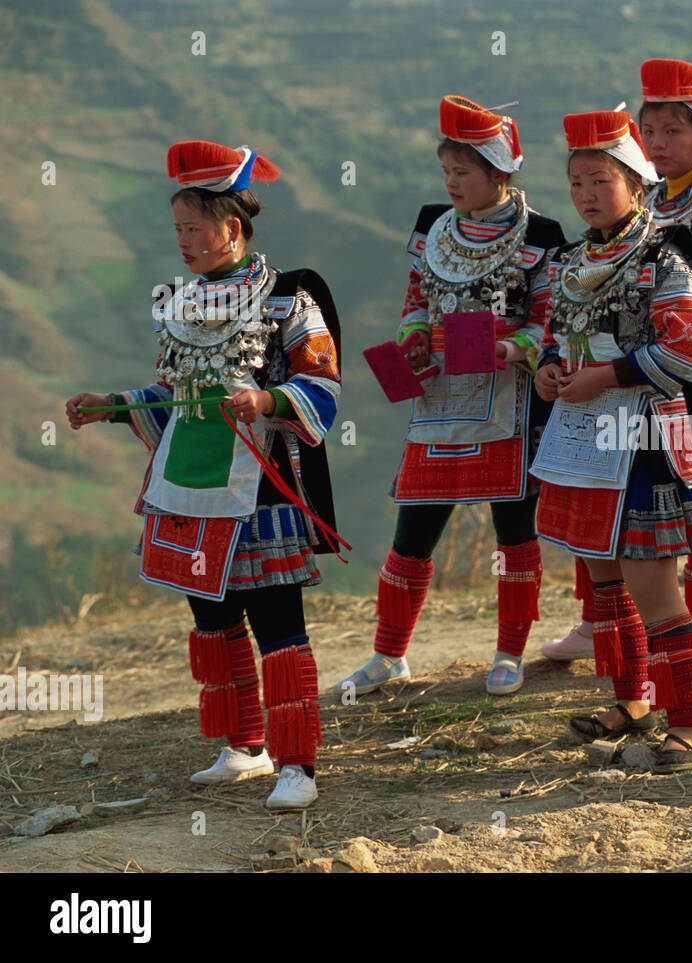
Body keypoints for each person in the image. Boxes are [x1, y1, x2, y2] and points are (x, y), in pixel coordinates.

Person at [65, 141, 342, 810]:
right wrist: (113, 406)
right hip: (187, 484)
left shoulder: (288, 297)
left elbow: (322, 384)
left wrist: (267, 400)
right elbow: (174, 395)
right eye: (178, 231)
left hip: (259, 486)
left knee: (277, 622)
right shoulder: (179, 304)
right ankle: (245, 745)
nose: (184, 242)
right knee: (212, 621)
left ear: (232, 227)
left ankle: (297, 764)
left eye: (194, 229)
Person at [326, 96, 565, 701]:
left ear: (498, 172)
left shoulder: (541, 235)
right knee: (412, 533)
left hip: (509, 405)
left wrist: (510, 353)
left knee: (514, 535)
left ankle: (510, 651)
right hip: (436, 401)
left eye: (464, 171)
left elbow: (551, 320)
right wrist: (410, 338)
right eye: (447, 171)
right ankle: (388, 654)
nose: (452, 183)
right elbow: (415, 301)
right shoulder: (432, 227)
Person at [543, 58, 692, 669]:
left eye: (674, 131)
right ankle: (605, 625)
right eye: (650, 131)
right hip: (618, 388)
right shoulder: (640, 210)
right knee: (604, 496)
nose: (660, 143)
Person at [530, 109, 692, 773]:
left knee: (653, 587)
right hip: (585, 437)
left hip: (645, 440)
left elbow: (687, 352)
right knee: (604, 581)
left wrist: (606, 374)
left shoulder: (666, 256)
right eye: (576, 181)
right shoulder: (572, 259)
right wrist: (549, 368)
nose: (585, 193)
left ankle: (687, 720)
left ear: (635, 182)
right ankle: (632, 699)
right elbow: (558, 333)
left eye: (600, 179)